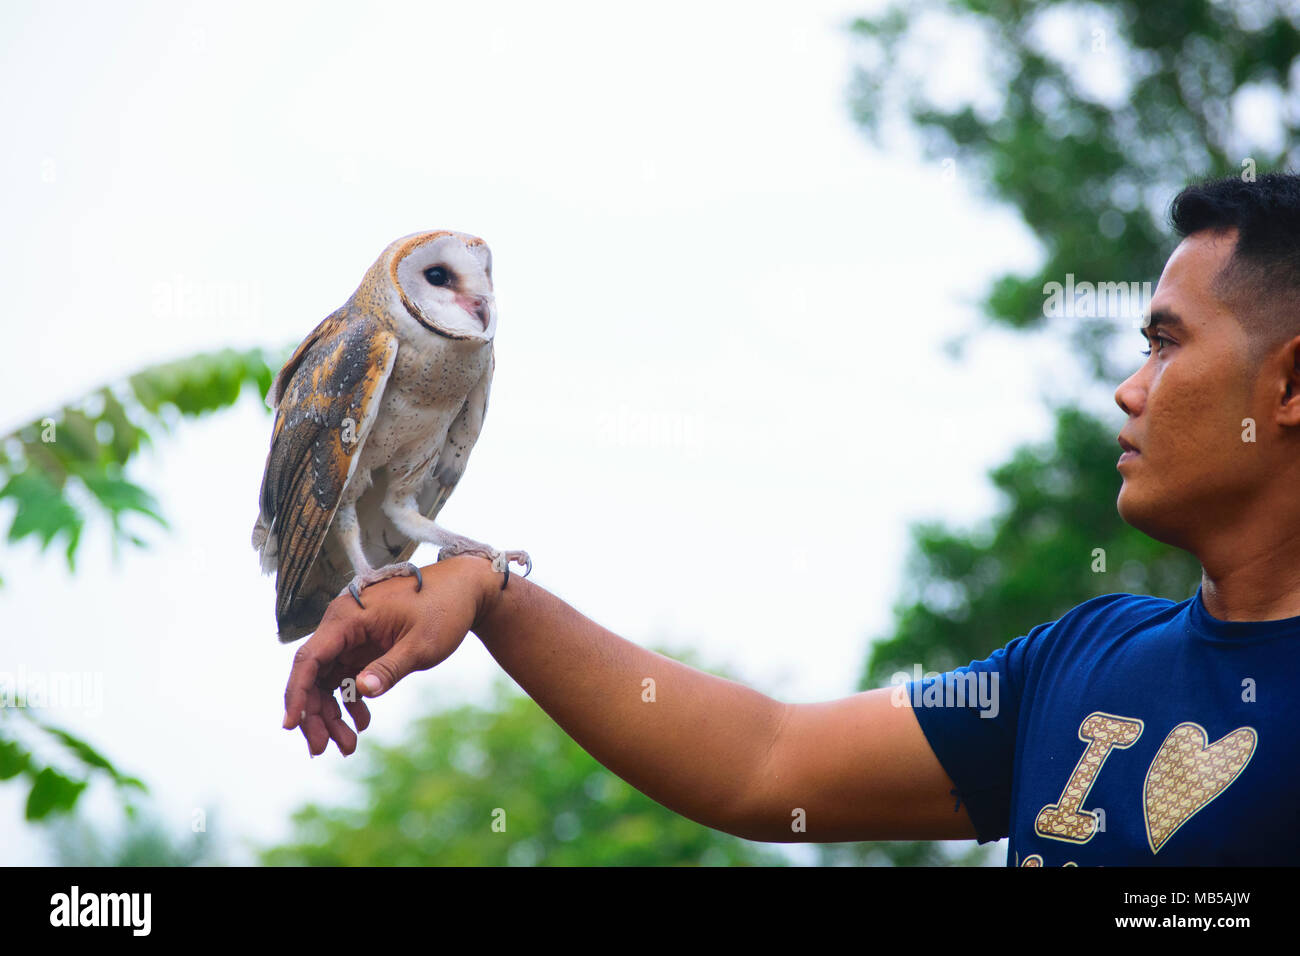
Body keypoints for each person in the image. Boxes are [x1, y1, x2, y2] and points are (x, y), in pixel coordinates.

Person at [281, 172, 1300, 865]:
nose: (1127, 388)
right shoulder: (1087, 656)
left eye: (1165, 345)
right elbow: (768, 760)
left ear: (1288, 386)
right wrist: (488, 592)